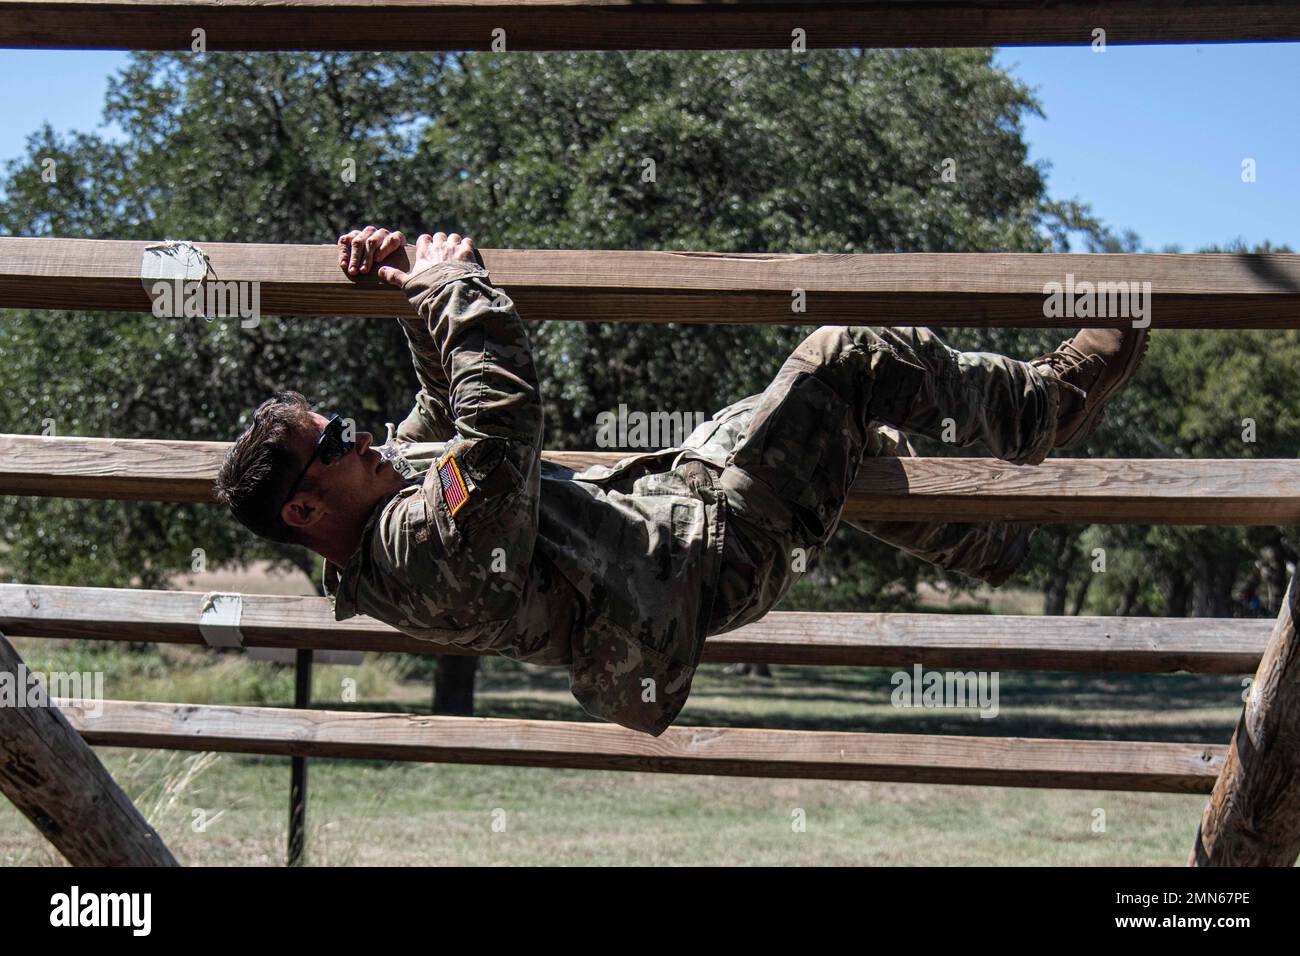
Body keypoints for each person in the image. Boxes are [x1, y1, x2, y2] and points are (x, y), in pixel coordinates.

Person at [215, 226, 1148, 735]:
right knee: (846, 357)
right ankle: (1044, 410)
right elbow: (498, 428)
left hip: (672, 508)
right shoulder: (413, 548)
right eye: (334, 437)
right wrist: (456, 288)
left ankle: (983, 540)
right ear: (302, 507)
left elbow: (442, 412)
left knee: (835, 438)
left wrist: (408, 285)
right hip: (703, 562)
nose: (358, 433)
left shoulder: (383, 498)